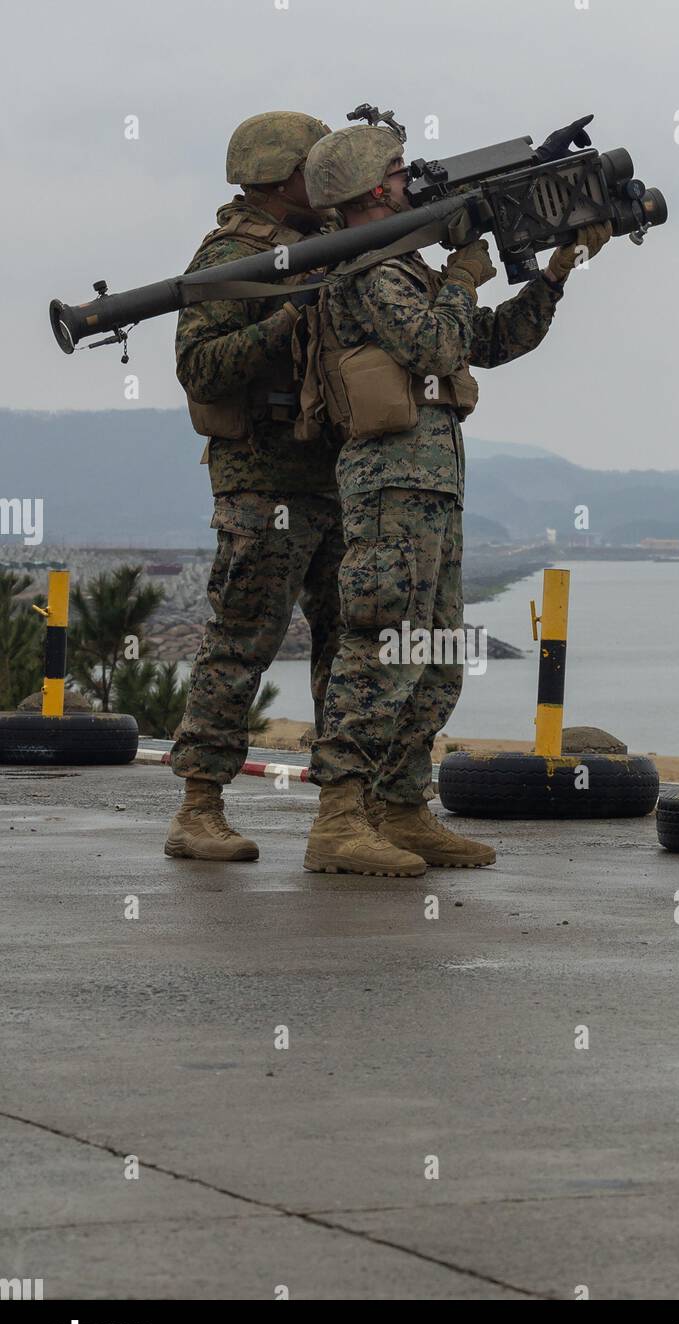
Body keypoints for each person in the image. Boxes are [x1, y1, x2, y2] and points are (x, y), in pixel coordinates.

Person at [300, 123, 611, 877]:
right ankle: (340, 820)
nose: (411, 179)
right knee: (383, 647)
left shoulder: (407, 269)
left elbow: (491, 341)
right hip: (391, 487)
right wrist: (465, 274)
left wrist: (555, 272)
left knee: (435, 658)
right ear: (371, 188)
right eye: (398, 170)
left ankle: (402, 808)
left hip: (432, 486)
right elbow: (435, 346)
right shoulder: (368, 273)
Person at [165, 112, 345, 862]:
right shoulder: (232, 256)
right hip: (262, 481)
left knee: (352, 645)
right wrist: (287, 317)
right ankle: (198, 807)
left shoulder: (332, 239)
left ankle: (349, 806)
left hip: (334, 473)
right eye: (315, 167)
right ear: (280, 176)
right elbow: (200, 367)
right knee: (243, 640)